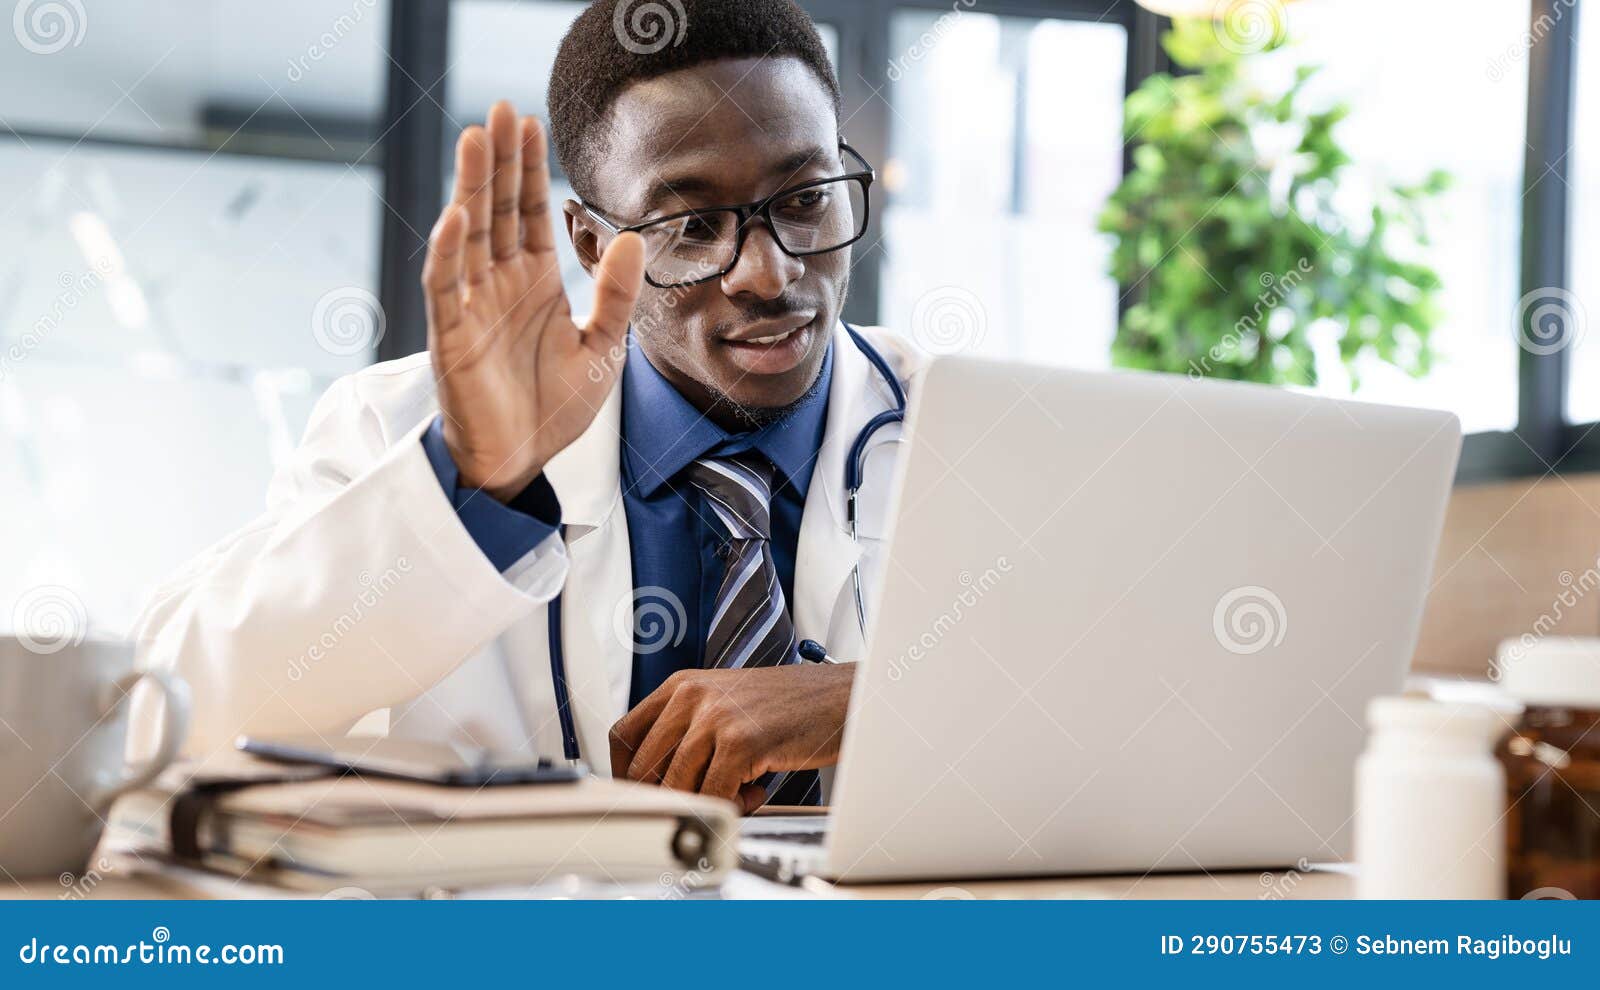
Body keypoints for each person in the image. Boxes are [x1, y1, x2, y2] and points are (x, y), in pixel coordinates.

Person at [134, 0, 924, 812]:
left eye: (803, 201)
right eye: (692, 224)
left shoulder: (962, 427)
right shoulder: (403, 424)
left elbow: (1063, 686)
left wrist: (866, 697)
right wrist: (478, 488)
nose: (767, 274)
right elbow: (170, 707)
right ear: (589, 242)